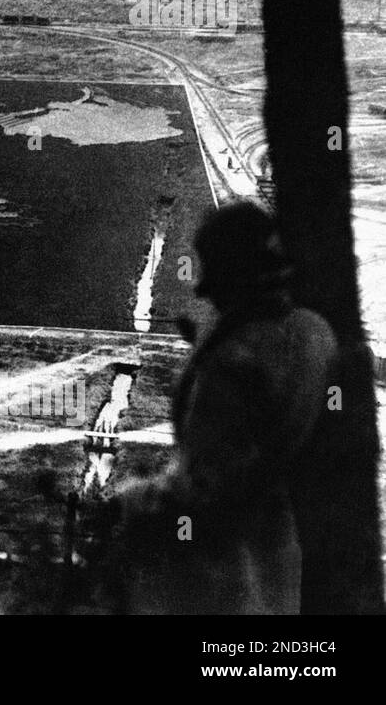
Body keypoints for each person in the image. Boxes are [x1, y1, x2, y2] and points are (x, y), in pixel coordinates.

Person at [105, 201, 337, 614]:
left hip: (222, 572)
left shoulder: (232, 363)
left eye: (211, 267)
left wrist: (133, 499)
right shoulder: (314, 333)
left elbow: (207, 488)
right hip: (283, 549)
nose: (201, 288)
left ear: (233, 271)